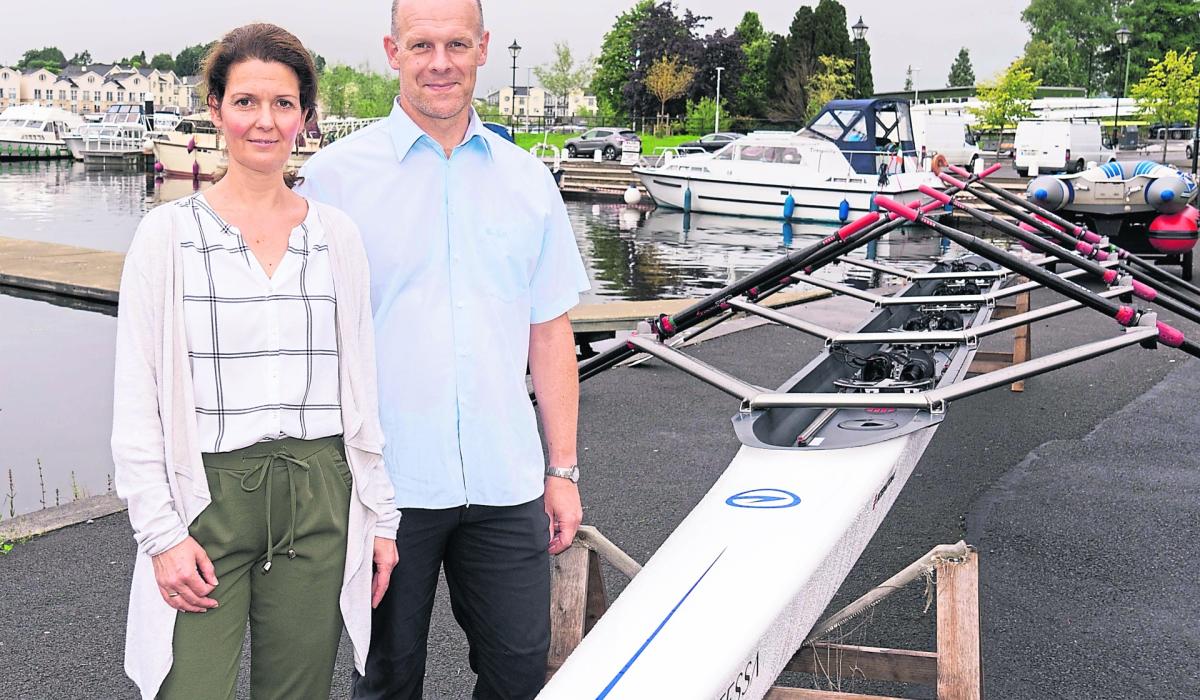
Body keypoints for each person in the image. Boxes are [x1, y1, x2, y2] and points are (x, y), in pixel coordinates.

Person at [295, 0, 590, 697]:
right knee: (389, 679)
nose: (440, 63)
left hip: (505, 479)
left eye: (456, 43)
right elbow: (307, 342)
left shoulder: (527, 180)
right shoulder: (334, 181)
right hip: (389, 485)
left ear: (483, 48)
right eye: (421, 44)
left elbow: (549, 332)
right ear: (392, 51)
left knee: (520, 671)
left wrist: (564, 470)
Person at [112, 23, 400, 700]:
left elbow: (361, 390)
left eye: (282, 103)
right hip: (205, 500)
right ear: (216, 110)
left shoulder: (338, 238)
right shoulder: (167, 236)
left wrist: (380, 518)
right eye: (246, 102)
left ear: (304, 116)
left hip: (320, 495)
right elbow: (137, 398)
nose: (264, 121)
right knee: (190, 689)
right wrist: (160, 534)